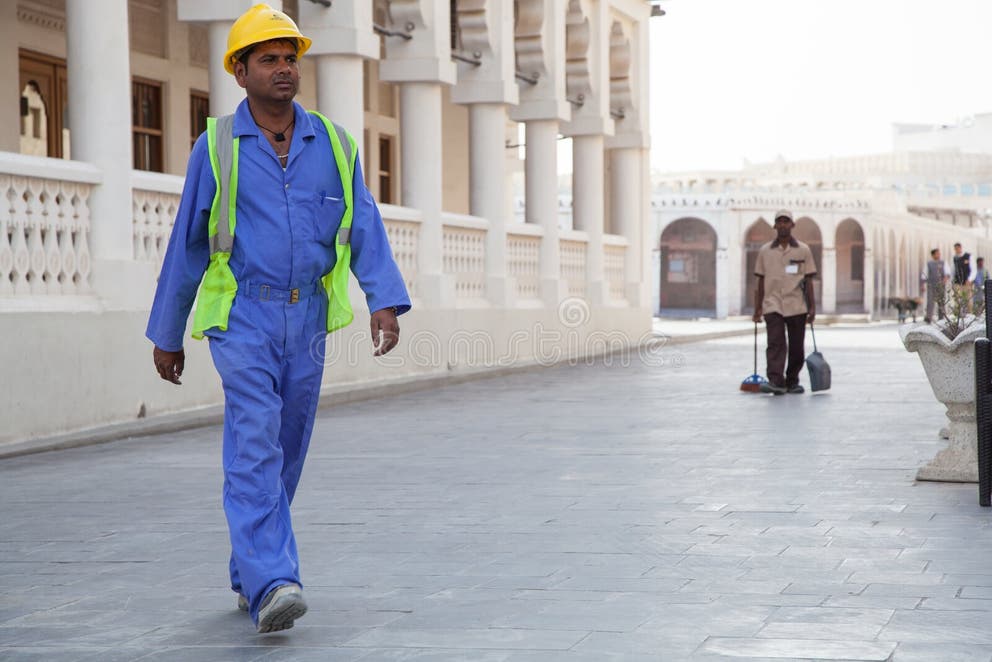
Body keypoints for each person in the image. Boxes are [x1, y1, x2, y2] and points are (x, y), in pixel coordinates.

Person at [145, 4, 410, 634]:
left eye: (291, 57)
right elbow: (187, 243)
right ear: (240, 72)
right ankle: (274, 581)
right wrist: (167, 332)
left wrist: (384, 300)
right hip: (242, 317)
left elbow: (363, 224)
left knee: (287, 445)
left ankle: (252, 567)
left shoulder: (334, 144)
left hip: (308, 319)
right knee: (256, 439)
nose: (284, 69)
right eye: (269, 58)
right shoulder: (215, 147)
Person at [751, 210, 817, 395]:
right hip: (772, 304)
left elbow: (808, 281)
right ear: (774, 226)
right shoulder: (765, 251)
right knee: (775, 344)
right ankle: (775, 381)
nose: (782, 225)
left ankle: (792, 381)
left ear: (792, 225)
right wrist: (757, 308)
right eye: (779, 222)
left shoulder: (803, 250)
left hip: (797, 304)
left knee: (796, 346)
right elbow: (760, 281)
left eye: (786, 221)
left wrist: (812, 307)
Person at [923, 248, 949, 323]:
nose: (939, 255)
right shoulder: (929, 264)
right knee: (930, 301)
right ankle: (928, 317)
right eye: (937, 253)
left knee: (941, 301)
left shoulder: (943, 263)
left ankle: (941, 318)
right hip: (931, 285)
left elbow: (947, 273)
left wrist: (945, 279)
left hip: (940, 285)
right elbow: (924, 275)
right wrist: (924, 284)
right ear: (933, 255)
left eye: (939, 253)